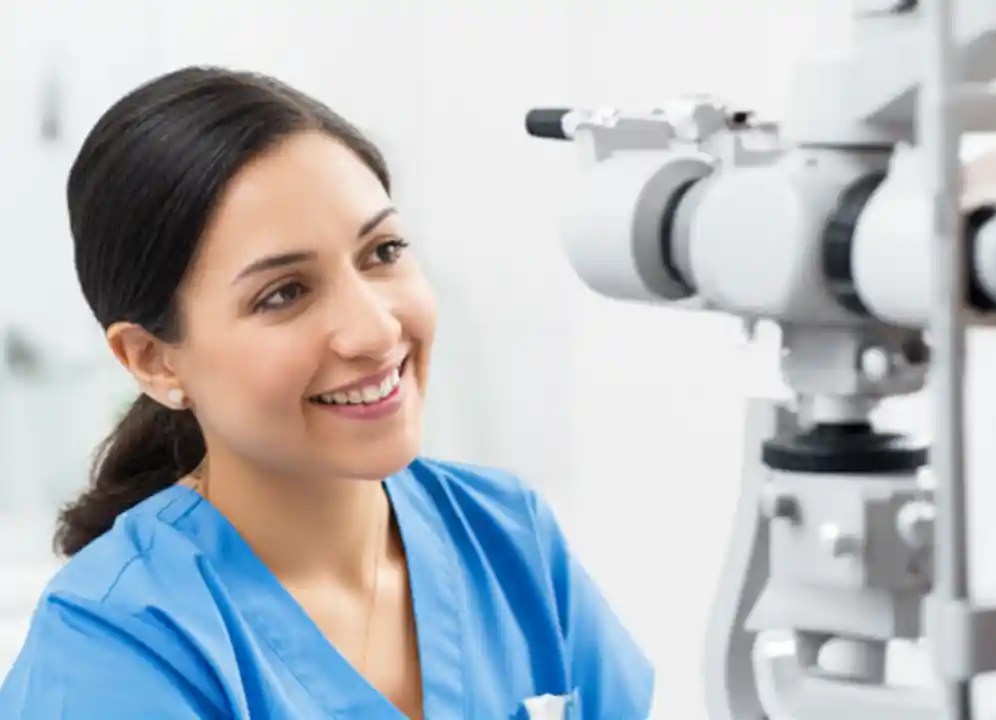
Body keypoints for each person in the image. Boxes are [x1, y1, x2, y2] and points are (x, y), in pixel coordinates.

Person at [0, 67, 653, 719]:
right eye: (283, 293)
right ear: (155, 361)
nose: (375, 329)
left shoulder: (509, 540)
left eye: (383, 251)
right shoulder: (112, 650)